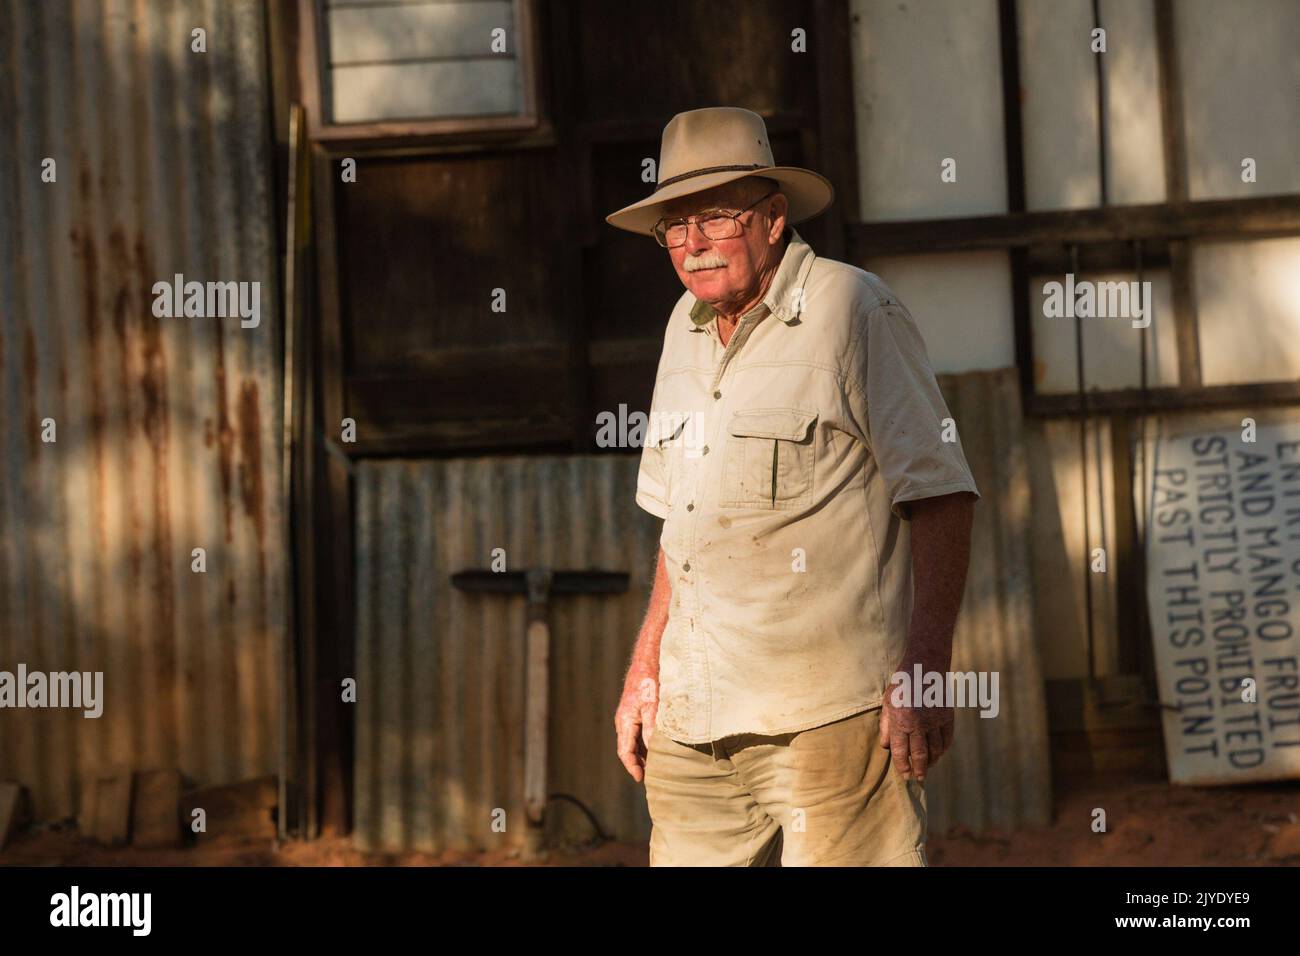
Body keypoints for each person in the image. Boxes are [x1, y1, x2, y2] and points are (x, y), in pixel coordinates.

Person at [606, 107, 980, 866]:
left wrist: (925, 667)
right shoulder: (682, 328)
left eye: (715, 217)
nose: (695, 245)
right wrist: (645, 665)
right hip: (693, 719)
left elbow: (940, 493)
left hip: (832, 718)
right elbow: (682, 525)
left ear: (774, 219)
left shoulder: (855, 309)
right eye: (674, 227)